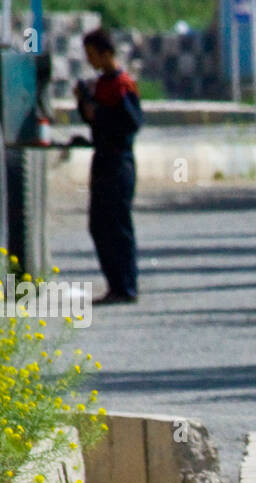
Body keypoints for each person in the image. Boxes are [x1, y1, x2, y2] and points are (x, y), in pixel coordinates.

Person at [75, 28, 142, 305]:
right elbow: (94, 120)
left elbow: (131, 122)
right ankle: (115, 285)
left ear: (107, 54)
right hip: (102, 159)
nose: (90, 60)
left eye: (93, 55)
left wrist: (98, 113)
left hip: (118, 161)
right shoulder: (100, 85)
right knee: (99, 224)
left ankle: (126, 286)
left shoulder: (122, 85)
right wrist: (84, 102)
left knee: (117, 225)